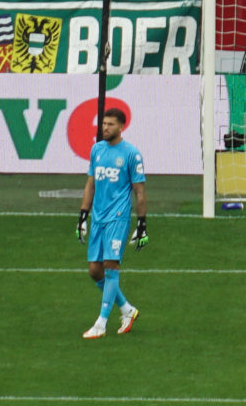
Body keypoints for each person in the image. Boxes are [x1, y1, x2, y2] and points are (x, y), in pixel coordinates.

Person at [79, 104, 147, 339]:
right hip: (98, 217)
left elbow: (139, 191)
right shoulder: (96, 150)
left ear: (121, 126)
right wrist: (83, 215)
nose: (105, 128)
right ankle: (127, 309)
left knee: (110, 265)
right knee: (94, 270)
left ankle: (101, 323)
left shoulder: (131, 154)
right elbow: (90, 183)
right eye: (103, 124)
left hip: (117, 218)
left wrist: (142, 224)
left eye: (110, 124)